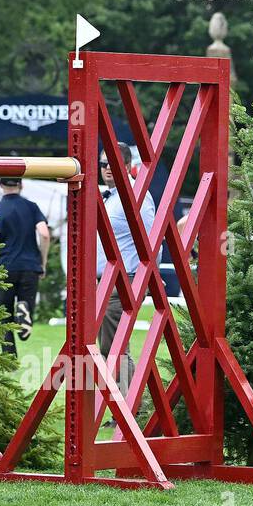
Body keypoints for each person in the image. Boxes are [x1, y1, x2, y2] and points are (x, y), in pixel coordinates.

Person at [97, 144, 156, 393]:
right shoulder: (111, 197)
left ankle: (131, 409)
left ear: (128, 165)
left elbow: (153, 238)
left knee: (114, 348)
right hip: (108, 281)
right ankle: (128, 409)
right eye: (103, 163)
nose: (108, 167)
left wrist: (147, 278)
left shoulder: (135, 196)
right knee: (112, 346)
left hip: (125, 279)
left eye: (114, 162)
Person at [0, 177, 50, 355]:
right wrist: (42, 262)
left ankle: (9, 356)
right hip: (30, 266)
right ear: (20, 185)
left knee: (4, 314)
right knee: (26, 303)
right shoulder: (32, 207)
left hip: (5, 267)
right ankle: (24, 309)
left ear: (0, 185)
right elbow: (44, 234)